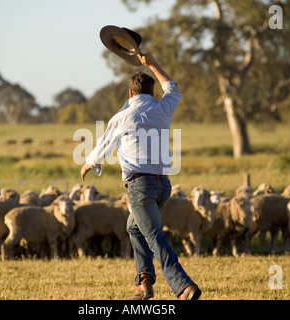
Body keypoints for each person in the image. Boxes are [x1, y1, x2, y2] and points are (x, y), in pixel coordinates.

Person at [80, 52, 201, 300]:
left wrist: (88, 164)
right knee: (134, 228)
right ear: (152, 92)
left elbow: (103, 143)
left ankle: (184, 287)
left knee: (155, 236)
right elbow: (174, 89)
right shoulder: (163, 109)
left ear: (130, 93)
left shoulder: (122, 116)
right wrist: (153, 63)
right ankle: (143, 284)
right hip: (163, 187)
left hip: (140, 188)